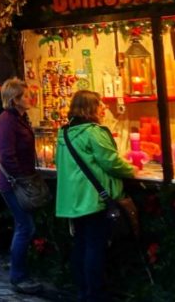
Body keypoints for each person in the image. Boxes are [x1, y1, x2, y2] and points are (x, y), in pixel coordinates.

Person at [55, 90, 136, 302]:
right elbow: (110, 161)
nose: (102, 109)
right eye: (99, 105)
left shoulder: (64, 133)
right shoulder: (94, 132)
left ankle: (83, 291)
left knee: (81, 245)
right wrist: (131, 169)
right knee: (95, 246)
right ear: (91, 108)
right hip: (93, 199)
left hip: (73, 200)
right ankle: (95, 295)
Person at [0, 78, 43, 295]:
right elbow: (6, 155)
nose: (30, 97)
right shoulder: (6, 122)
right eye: (26, 95)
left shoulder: (20, 119)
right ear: (15, 100)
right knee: (26, 226)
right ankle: (18, 276)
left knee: (23, 225)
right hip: (12, 182)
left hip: (19, 179)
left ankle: (20, 272)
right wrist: (22, 176)